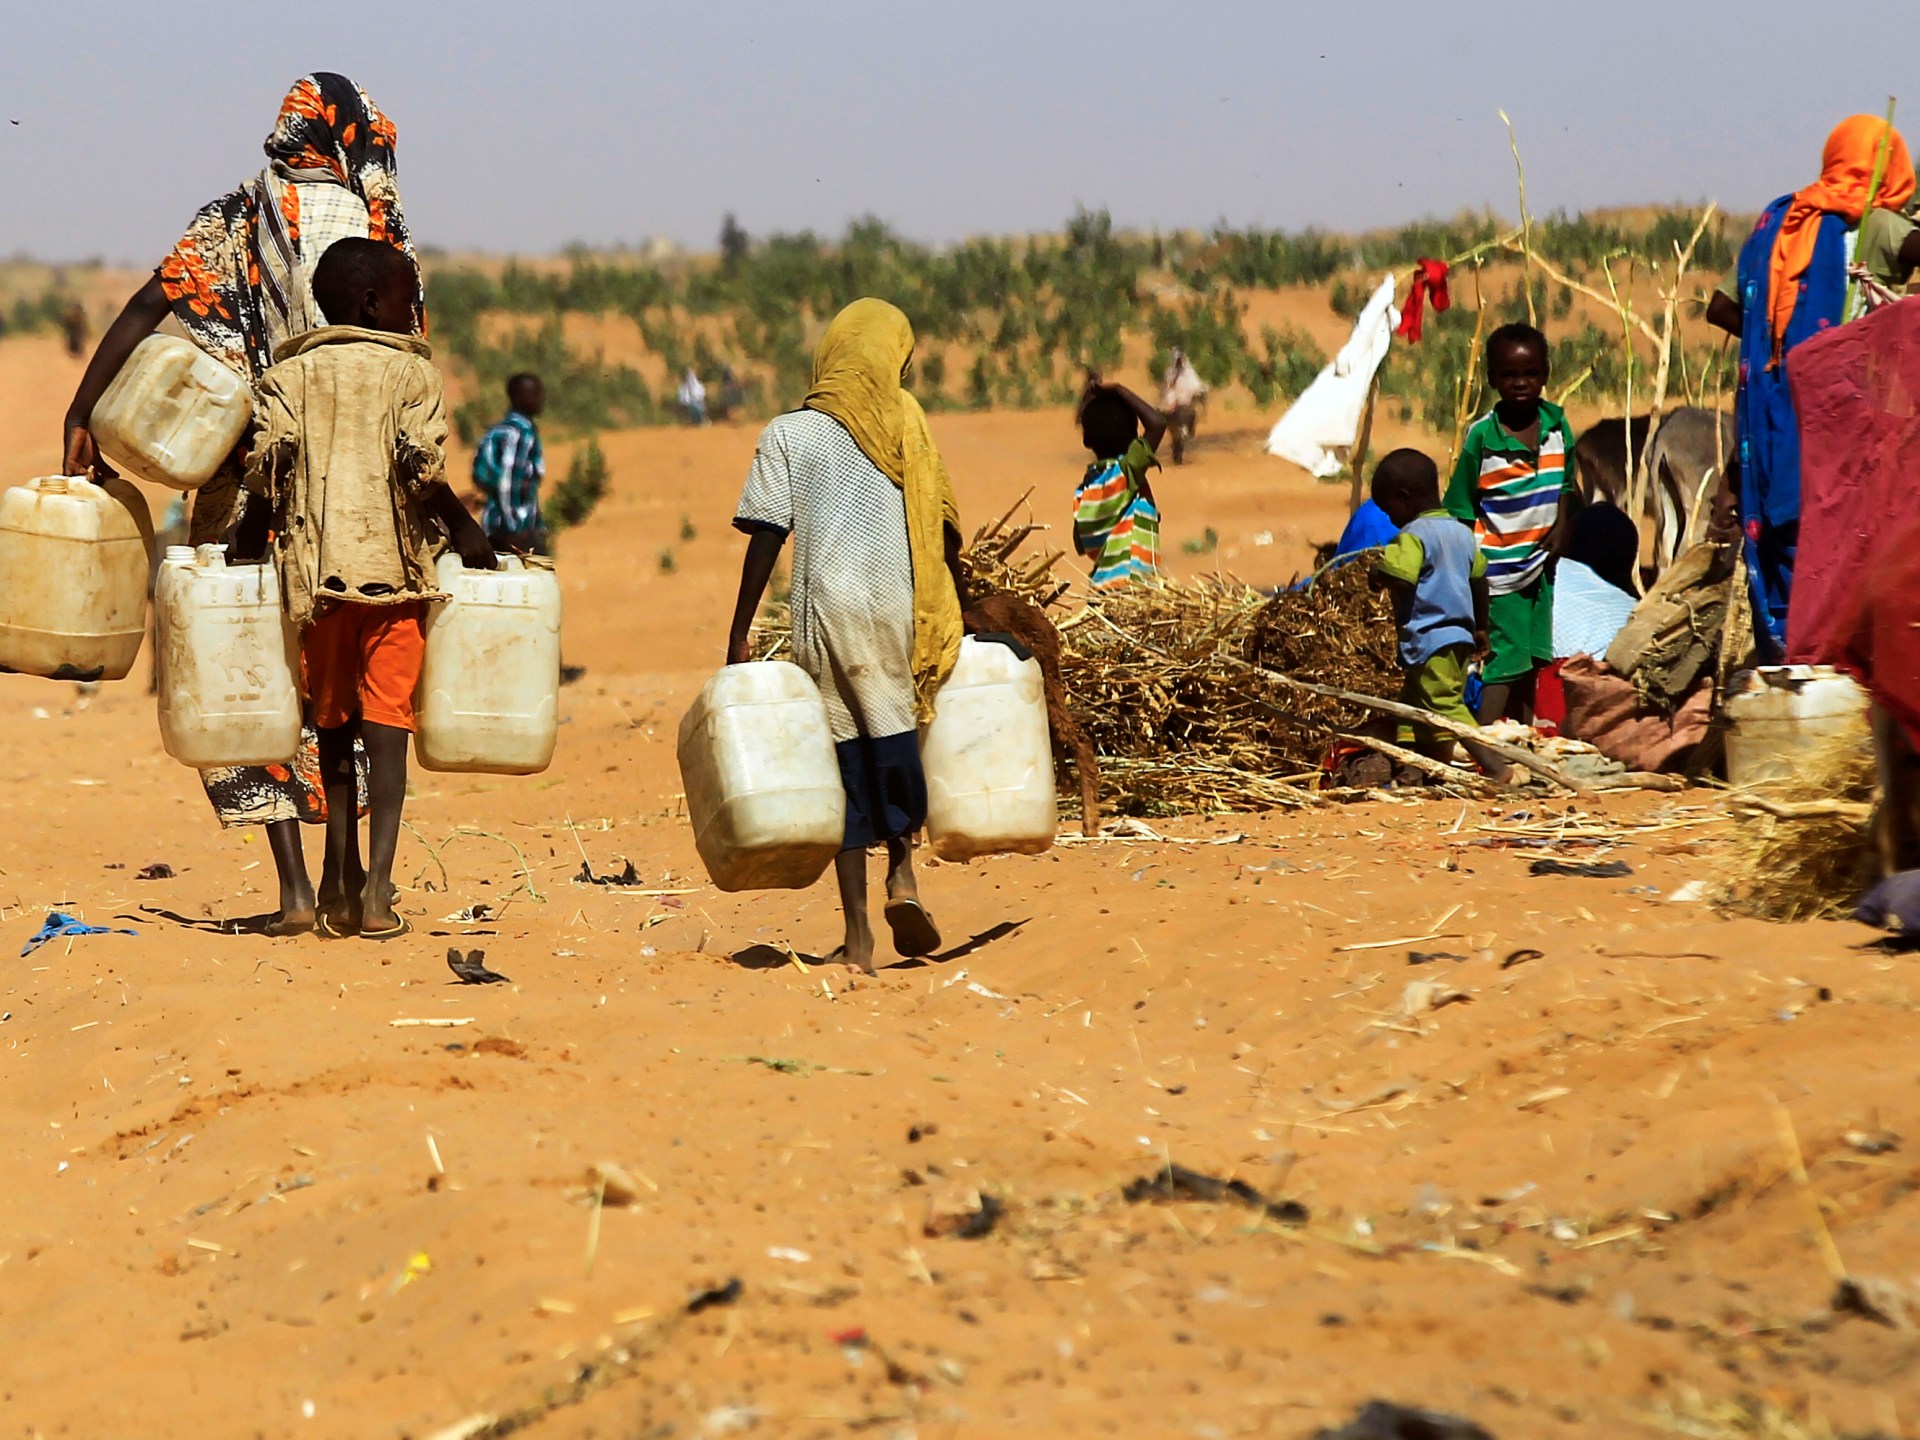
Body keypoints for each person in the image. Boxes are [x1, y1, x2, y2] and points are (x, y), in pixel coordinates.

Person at [58, 72, 415, 936]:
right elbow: (410, 353)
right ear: (355, 135)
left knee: (244, 672)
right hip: (351, 496)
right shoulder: (377, 223)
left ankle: (296, 886)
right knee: (349, 679)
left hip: (241, 483)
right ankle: (359, 879)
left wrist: (81, 411)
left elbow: (151, 305)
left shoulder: (233, 215)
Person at [234, 239, 496, 940]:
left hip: (316, 589)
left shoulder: (289, 377)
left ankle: (336, 882)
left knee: (333, 727)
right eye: (410, 297)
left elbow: (269, 468)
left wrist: (244, 543)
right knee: (388, 733)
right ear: (374, 303)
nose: (417, 311)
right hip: (395, 585)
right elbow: (419, 464)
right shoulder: (410, 375)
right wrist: (465, 528)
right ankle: (377, 893)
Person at [726, 298, 967, 975]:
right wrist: (961, 607)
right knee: (894, 733)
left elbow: (768, 534)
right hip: (898, 602)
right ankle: (904, 874)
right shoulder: (909, 422)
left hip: (826, 612)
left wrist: (739, 632)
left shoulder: (789, 434)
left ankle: (858, 937)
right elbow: (941, 527)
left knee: (842, 759)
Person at [1706, 115, 1919, 656]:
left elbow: (1722, 307)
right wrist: (1842, 347)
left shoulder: (1778, 222)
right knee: (1850, 550)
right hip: (1841, 423)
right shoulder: (1870, 222)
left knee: (1789, 545)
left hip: (1772, 419)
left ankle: (1787, 667)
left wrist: (1786, 347)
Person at [1445, 322, 1578, 723]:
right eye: (1509, 375)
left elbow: (1566, 486)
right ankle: (1481, 747)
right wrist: (1469, 577)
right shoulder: (1482, 439)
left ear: (1545, 374)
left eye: (1530, 373)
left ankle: (1523, 739)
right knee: (1502, 663)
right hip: (1497, 574)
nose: (1521, 382)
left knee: (1533, 660)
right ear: (1492, 379)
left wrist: (1561, 526)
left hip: (1541, 570)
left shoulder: (1557, 427)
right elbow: (1460, 509)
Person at [1369, 450, 1509, 782]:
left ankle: (1494, 765)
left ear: (1404, 500)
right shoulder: (1461, 533)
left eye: (1390, 512)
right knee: (1413, 706)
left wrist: (1377, 574)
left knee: (1445, 704)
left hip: (1432, 639)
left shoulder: (1413, 536)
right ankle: (1419, 766)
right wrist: (1482, 627)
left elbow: (1402, 575)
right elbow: (1479, 580)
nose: (1391, 520)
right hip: (1459, 638)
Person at [1074, 377, 1168, 589]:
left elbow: (1082, 543)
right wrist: (1119, 389)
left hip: (1100, 590)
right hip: (1132, 588)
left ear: (1087, 440)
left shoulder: (1085, 489)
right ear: (1135, 436)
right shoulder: (1127, 472)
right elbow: (1158, 424)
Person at [474, 373, 548, 553]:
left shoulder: (497, 431)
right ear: (517, 397)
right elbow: (508, 482)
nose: (540, 399)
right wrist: (515, 528)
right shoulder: (520, 433)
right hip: (512, 529)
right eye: (535, 393)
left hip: (495, 524)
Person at [1159, 347, 1208, 466]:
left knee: (1182, 433)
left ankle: (1182, 443)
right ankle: (1177, 456)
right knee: (1175, 435)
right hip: (1171, 409)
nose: (1179, 363)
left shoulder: (1189, 374)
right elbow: (1166, 389)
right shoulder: (1170, 373)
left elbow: (1197, 388)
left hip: (1185, 408)